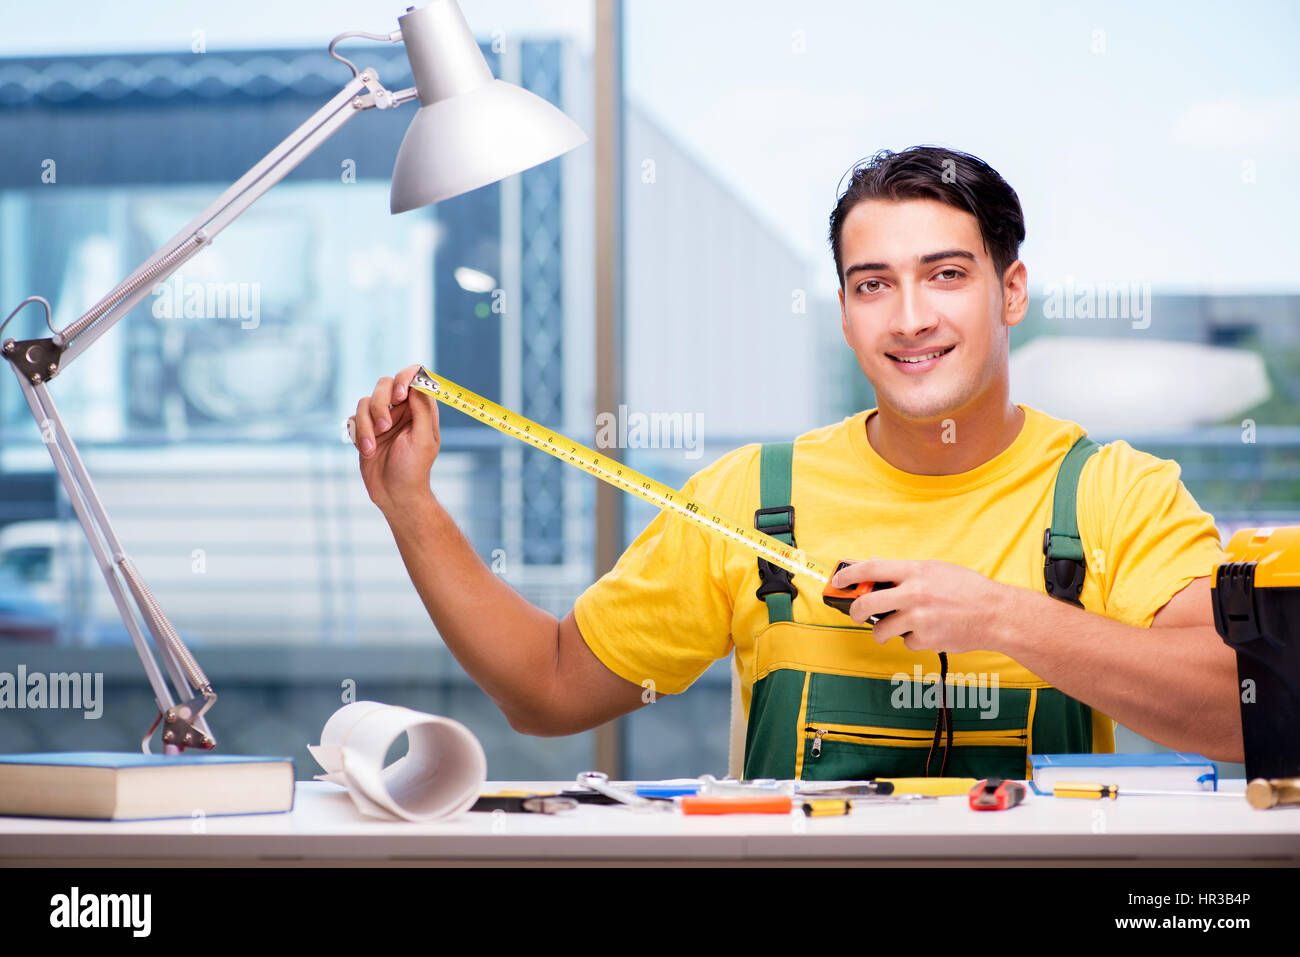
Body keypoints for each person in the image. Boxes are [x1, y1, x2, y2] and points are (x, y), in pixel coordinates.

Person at [349, 145, 1244, 778]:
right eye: (873, 284)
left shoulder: (1115, 493)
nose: (910, 318)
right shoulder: (751, 495)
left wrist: (1002, 617)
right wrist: (411, 508)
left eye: (946, 275)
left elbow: (1242, 709)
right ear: (846, 313)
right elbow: (548, 690)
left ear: (1010, 291)